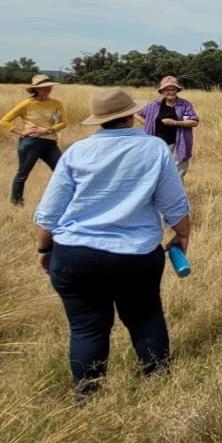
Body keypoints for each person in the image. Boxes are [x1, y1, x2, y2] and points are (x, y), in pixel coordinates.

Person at [34, 87, 191, 402]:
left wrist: (44, 250)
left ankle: (87, 396)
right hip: (135, 255)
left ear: (99, 121)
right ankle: (157, 383)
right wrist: (183, 236)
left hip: (75, 255)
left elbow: (49, 214)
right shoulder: (155, 149)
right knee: (145, 317)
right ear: (131, 115)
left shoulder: (77, 152)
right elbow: (175, 205)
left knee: (86, 329)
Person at [0, 73, 69, 206]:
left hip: (50, 142)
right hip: (31, 143)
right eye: (43, 87)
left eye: (49, 87)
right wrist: (20, 132)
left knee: (61, 170)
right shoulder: (27, 104)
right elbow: (4, 121)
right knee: (23, 172)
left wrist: (48, 130)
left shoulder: (56, 103)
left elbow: (64, 122)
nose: (47, 90)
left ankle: (61, 200)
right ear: (35, 89)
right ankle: (16, 202)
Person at [140, 76, 199, 178]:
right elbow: (138, 114)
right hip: (158, 144)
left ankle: (176, 193)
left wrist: (175, 123)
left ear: (177, 90)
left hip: (179, 143)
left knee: (177, 173)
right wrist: (148, 123)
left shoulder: (184, 104)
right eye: (167, 89)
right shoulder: (155, 105)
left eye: (173, 89)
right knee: (158, 172)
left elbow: (194, 122)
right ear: (162, 91)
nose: (171, 92)